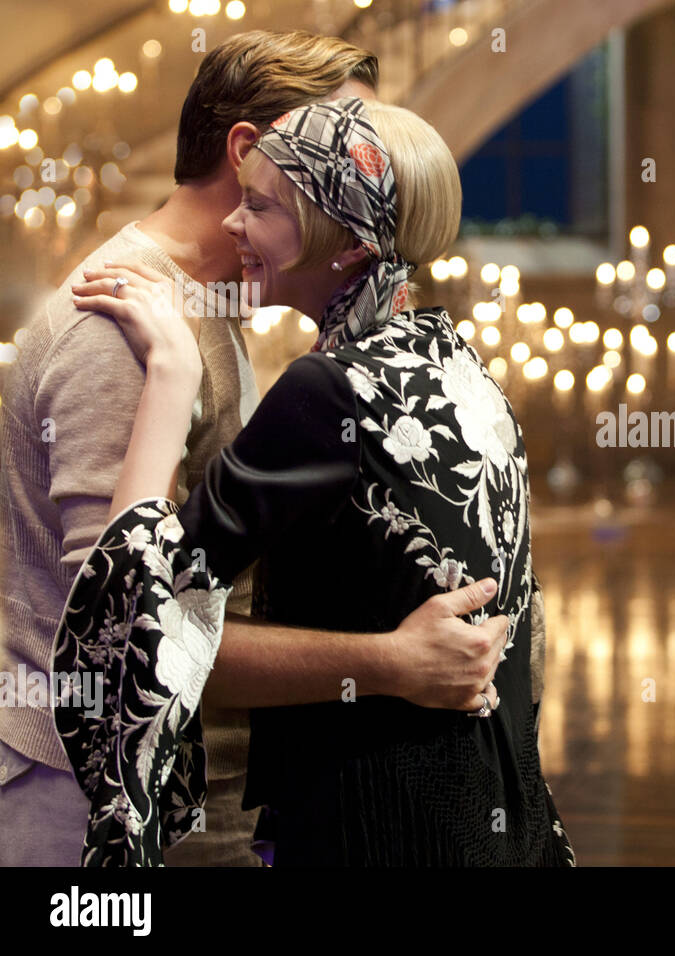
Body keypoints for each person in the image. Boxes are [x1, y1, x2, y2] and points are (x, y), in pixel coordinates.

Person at [0, 31, 511, 868]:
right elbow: (127, 633)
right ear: (250, 153)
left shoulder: (215, 302)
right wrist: (391, 664)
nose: (370, 172)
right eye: (348, 143)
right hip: (99, 820)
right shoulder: (119, 330)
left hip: (200, 801)